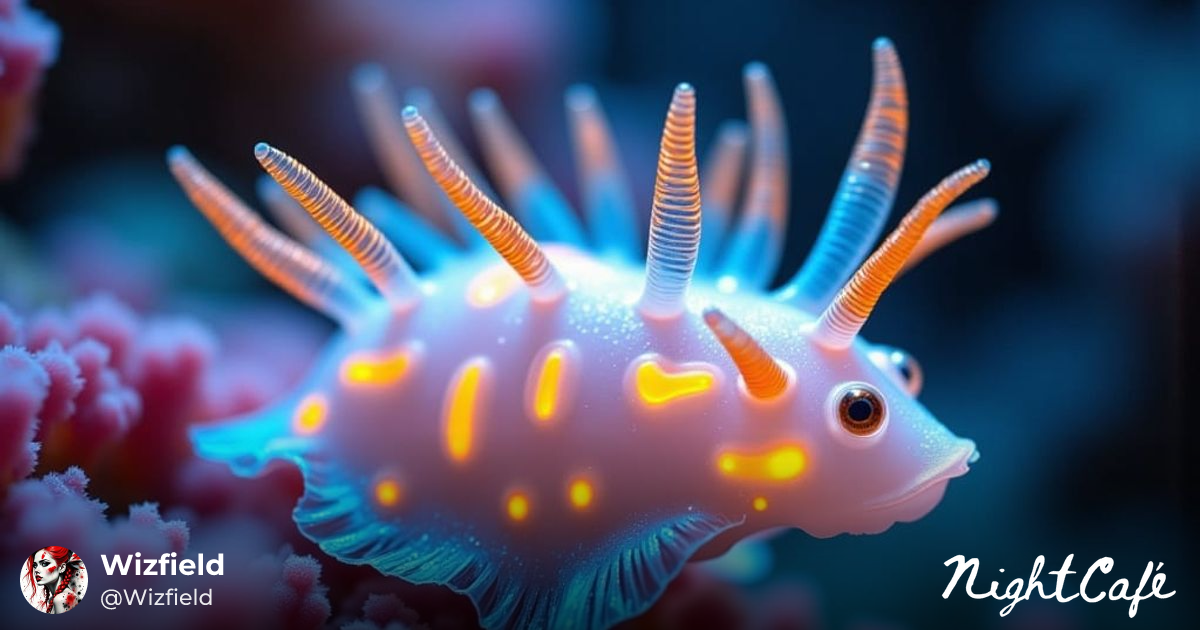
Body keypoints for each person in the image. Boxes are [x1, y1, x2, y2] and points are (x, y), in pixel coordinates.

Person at [22, 546, 85, 613]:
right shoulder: (55, 599)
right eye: (35, 566)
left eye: (44, 564)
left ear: (62, 568)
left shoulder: (61, 599)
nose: (36, 570)